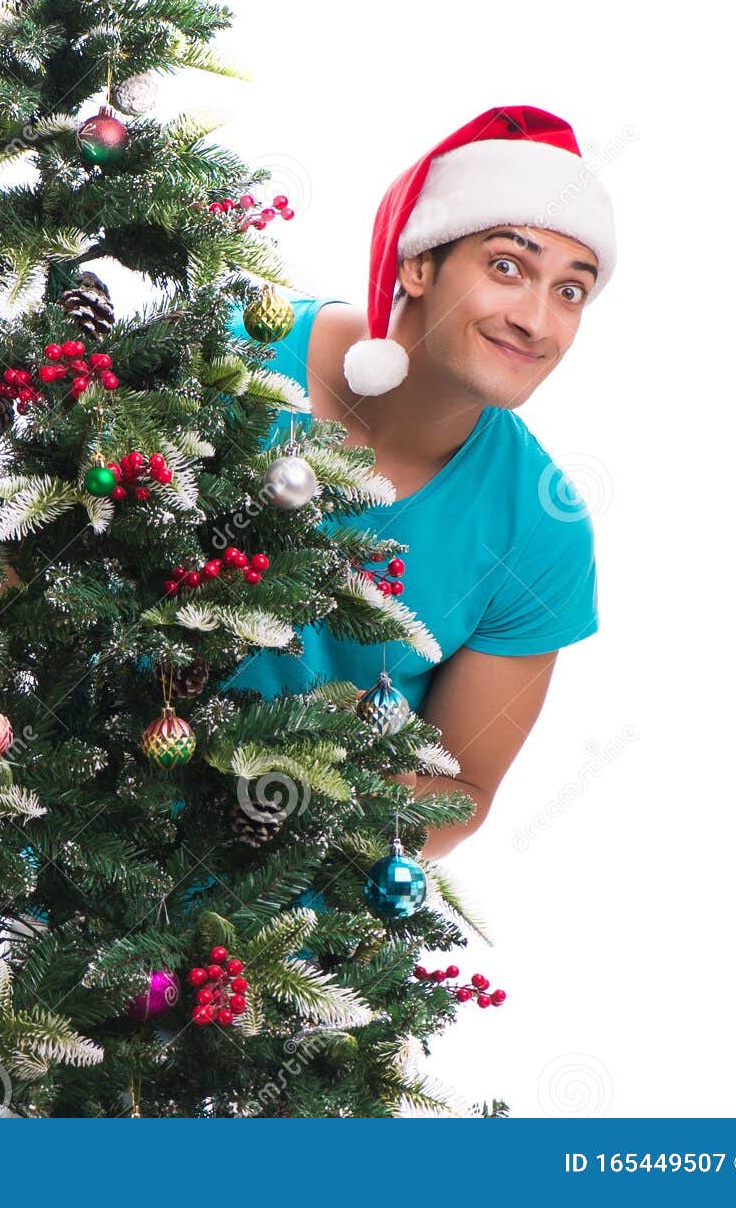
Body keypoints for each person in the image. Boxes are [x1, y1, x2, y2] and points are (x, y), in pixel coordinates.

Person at [223, 104, 616, 862]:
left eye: (570, 291)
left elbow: (461, 787)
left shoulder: (541, 529)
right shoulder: (240, 359)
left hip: (277, 938)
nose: (536, 320)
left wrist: (279, 815)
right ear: (418, 263)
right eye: (507, 266)